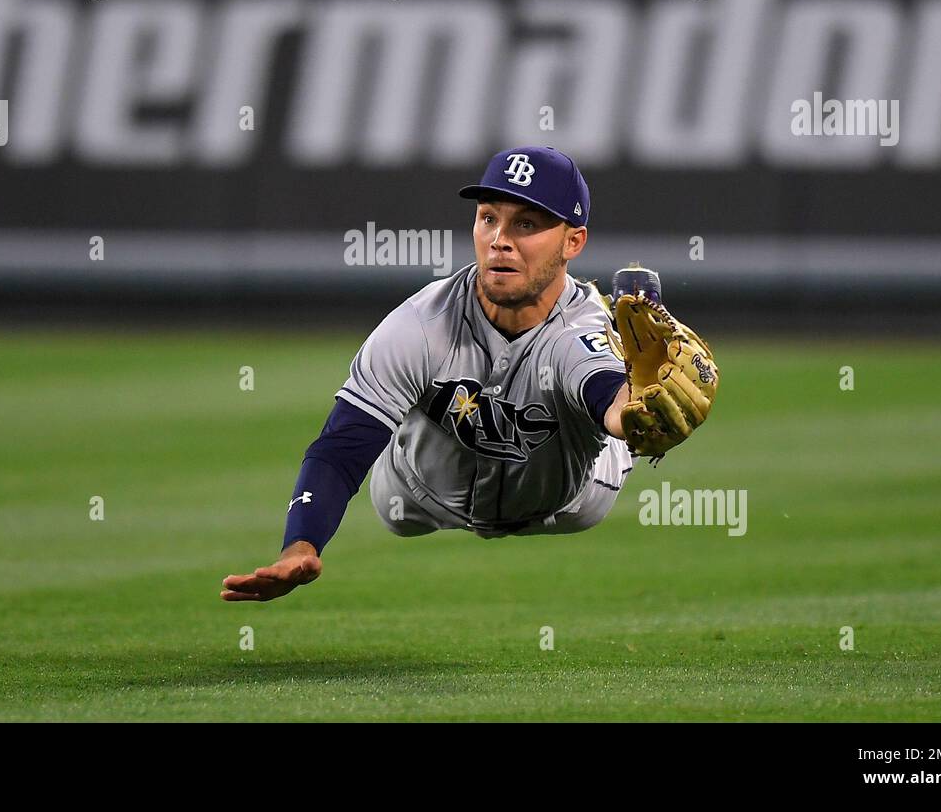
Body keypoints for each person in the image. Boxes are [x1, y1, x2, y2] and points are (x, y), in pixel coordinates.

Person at [221, 146, 717, 602]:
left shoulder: (577, 333)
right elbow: (340, 447)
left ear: (573, 241)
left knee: (628, 414)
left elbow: (605, 396)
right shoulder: (420, 323)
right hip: (417, 494)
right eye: (488, 219)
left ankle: (640, 356)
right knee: (392, 486)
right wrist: (300, 544)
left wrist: (632, 404)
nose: (500, 240)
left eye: (526, 224)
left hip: (570, 499)